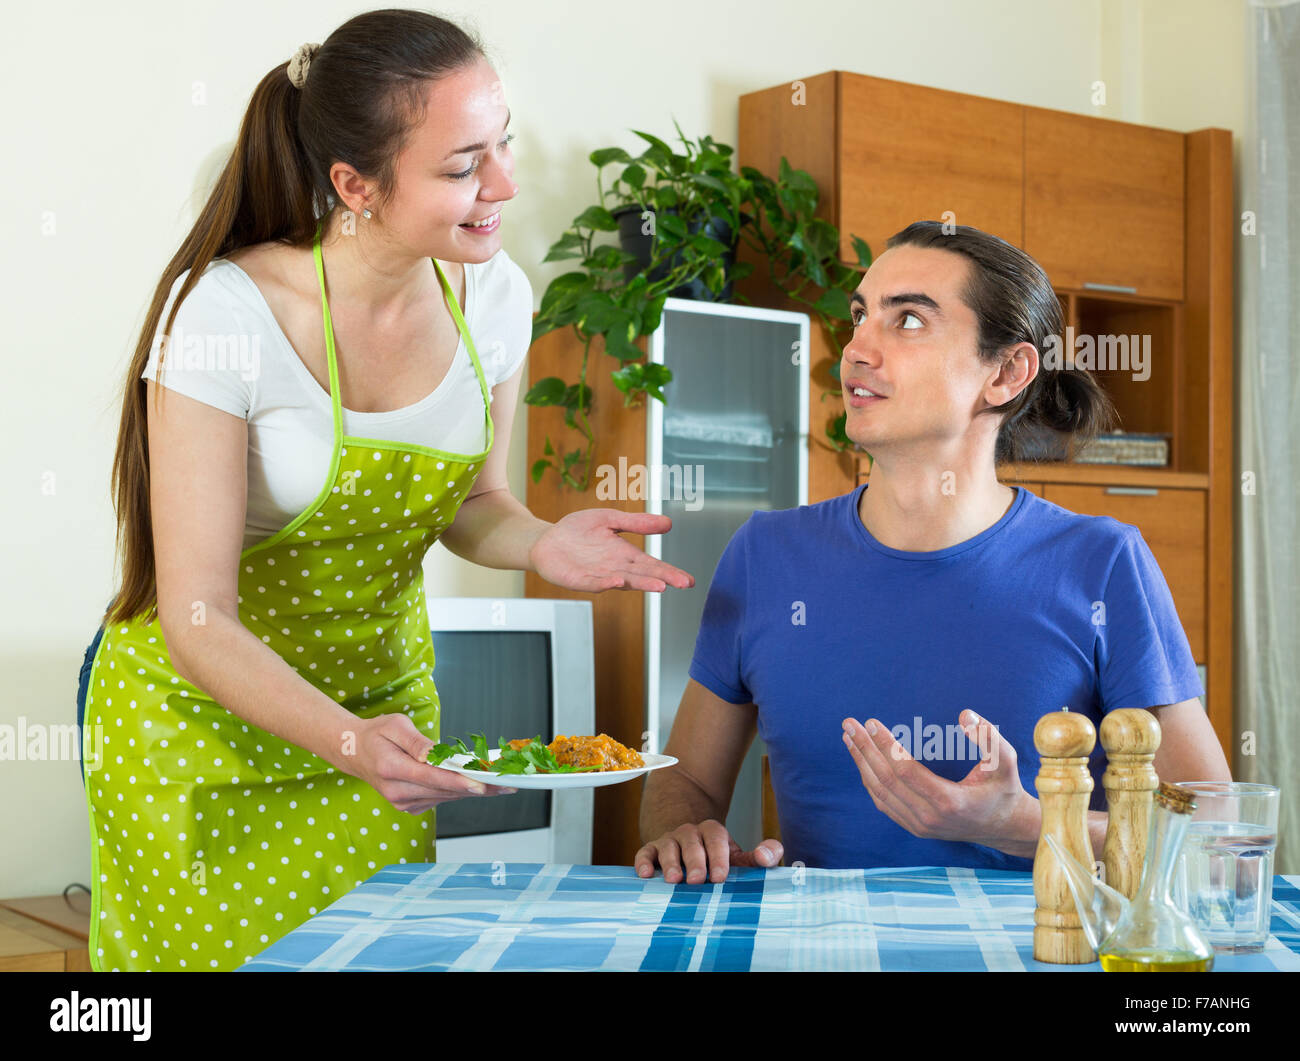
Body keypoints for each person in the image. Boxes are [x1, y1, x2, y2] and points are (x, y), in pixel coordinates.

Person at [80, 10, 692, 972]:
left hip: (385, 723)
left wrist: (538, 542)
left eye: (504, 146)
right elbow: (197, 618)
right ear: (354, 185)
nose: (505, 186)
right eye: (462, 167)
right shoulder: (225, 316)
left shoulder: (493, 297)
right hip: (205, 736)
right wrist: (347, 741)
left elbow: (473, 504)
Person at [636, 220, 1231, 883]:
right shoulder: (765, 554)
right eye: (860, 316)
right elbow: (683, 779)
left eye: (908, 321)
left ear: (1006, 372)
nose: (857, 348)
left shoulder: (1103, 562)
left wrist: (1020, 824)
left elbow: (1213, 833)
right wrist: (687, 837)